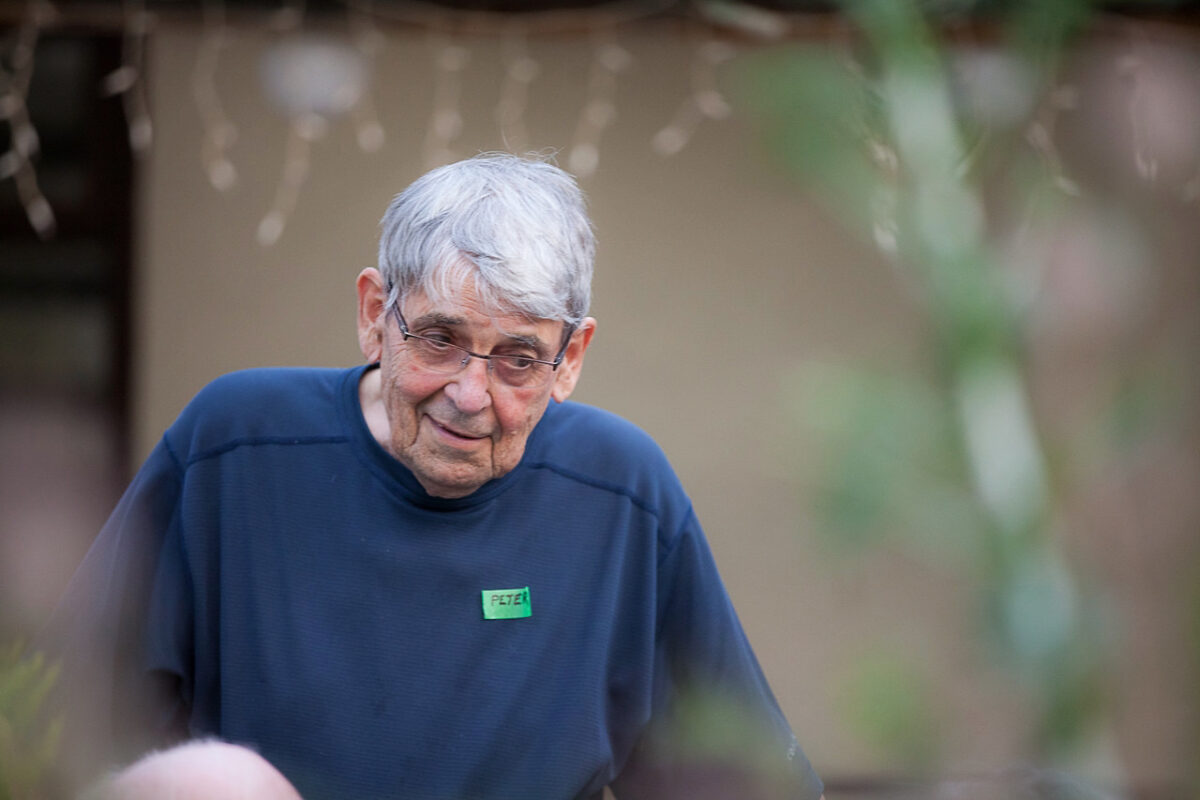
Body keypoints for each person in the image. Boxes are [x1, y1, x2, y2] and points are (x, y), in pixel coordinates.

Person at [51, 153, 824, 800]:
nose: (470, 393)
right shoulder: (235, 448)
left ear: (571, 359)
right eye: (440, 338)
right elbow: (52, 723)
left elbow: (750, 785)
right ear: (374, 314)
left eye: (519, 358)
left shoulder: (620, 492)